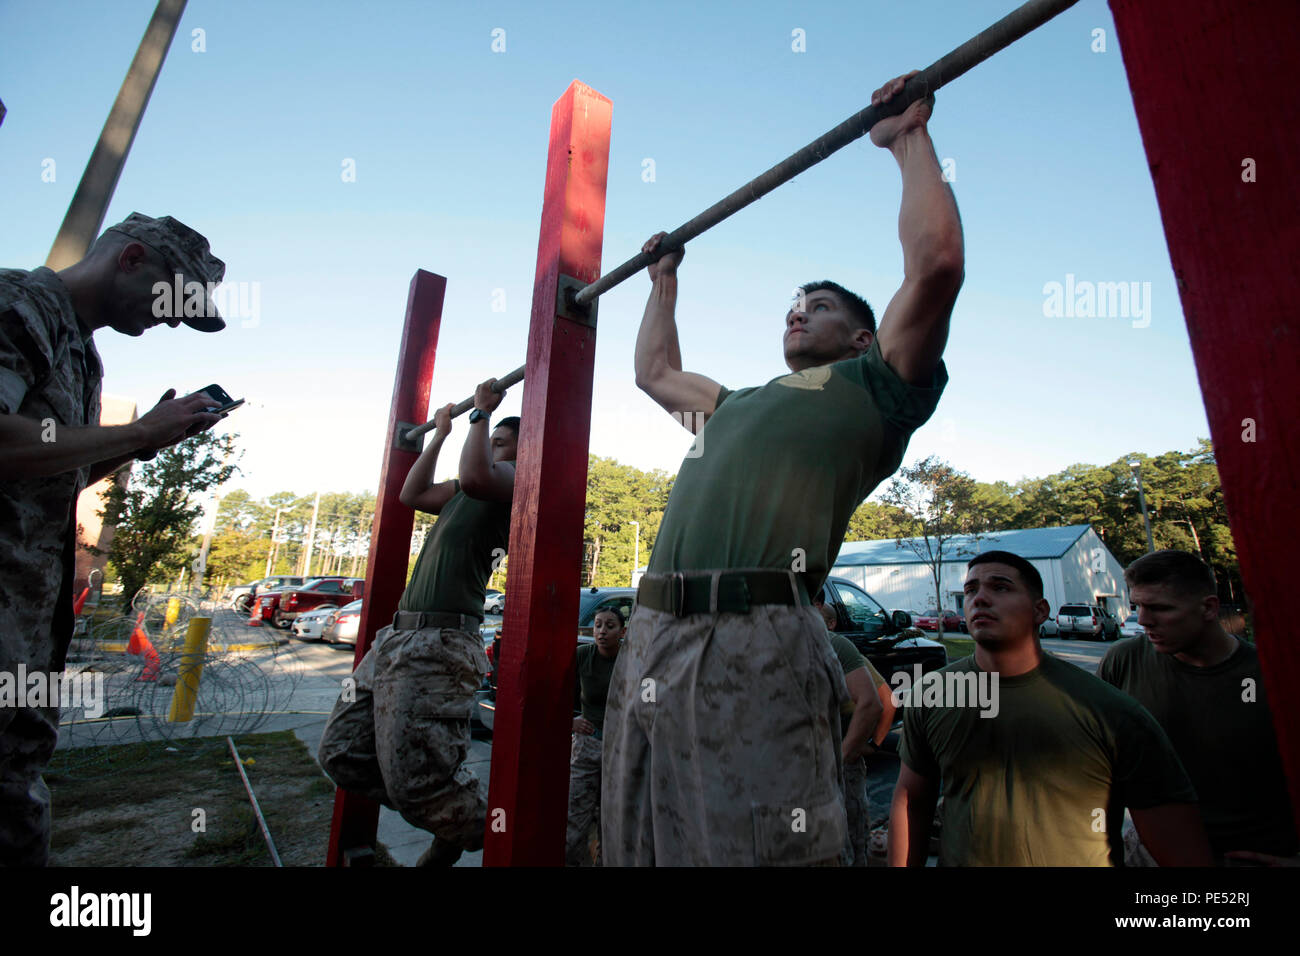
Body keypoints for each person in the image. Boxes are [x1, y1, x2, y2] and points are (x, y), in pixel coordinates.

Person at [604, 71, 963, 865]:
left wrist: (906, 137)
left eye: (822, 305)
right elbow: (655, 372)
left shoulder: (876, 388)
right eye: (793, 304)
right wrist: (664, 279)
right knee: (642, 841)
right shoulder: (734, 402)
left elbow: (935, 265)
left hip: (756, 632)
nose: (800, 310)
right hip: (654, 632)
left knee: (764, 848)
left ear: (865, 338)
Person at [0, 213, 228, 866]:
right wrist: (133, 433)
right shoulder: (18, 303)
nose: (172, 319)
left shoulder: (81, 352)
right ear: (130, 259)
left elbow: (53, 467)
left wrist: (146, 443)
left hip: (28, 631)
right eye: (171, 299)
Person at [888, 550, 1214, 867]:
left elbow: (1180, 848)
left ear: (1040, 611)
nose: (979, 598)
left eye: (1000, 587)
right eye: (971, 589)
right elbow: (912, 801)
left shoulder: (1110, 710)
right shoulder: (933, 694)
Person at [318, 380, 517, 866]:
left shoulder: (514, 482)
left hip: (442, 643)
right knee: (342, 753)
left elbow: (475, 477)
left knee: (418, 785)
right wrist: (441, 434)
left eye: (502, 443)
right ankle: (452, 817)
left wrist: (481, 414)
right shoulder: (461, 494)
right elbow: (413, 492)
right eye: (493, 442)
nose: (493, 446)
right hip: (398, 636)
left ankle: (498, 833)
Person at [1098, 550, 1298, 865]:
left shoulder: (1272, 673)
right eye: (1137, 606)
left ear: (1208, 608)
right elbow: (1099, 762)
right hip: (1153, 851)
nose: (1143, 620)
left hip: (1254, 854)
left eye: (1160, 608)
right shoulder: (1124, 660)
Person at [818, 599, 889, 866]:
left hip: (840, 765)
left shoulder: (837, 645)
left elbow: (881, 701)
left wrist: (863, 747)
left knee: (852, 837)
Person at [566, 605, 625, 866]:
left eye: (610, 626)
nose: (602, 632)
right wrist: (572, 721)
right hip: (587, 745)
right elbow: (557, 692)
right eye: (598, 625)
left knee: (613, 819)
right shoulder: (582, 655)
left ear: (622, 631)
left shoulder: (631, 659)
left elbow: (650, 696)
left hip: (621, 748)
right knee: (574, 815)